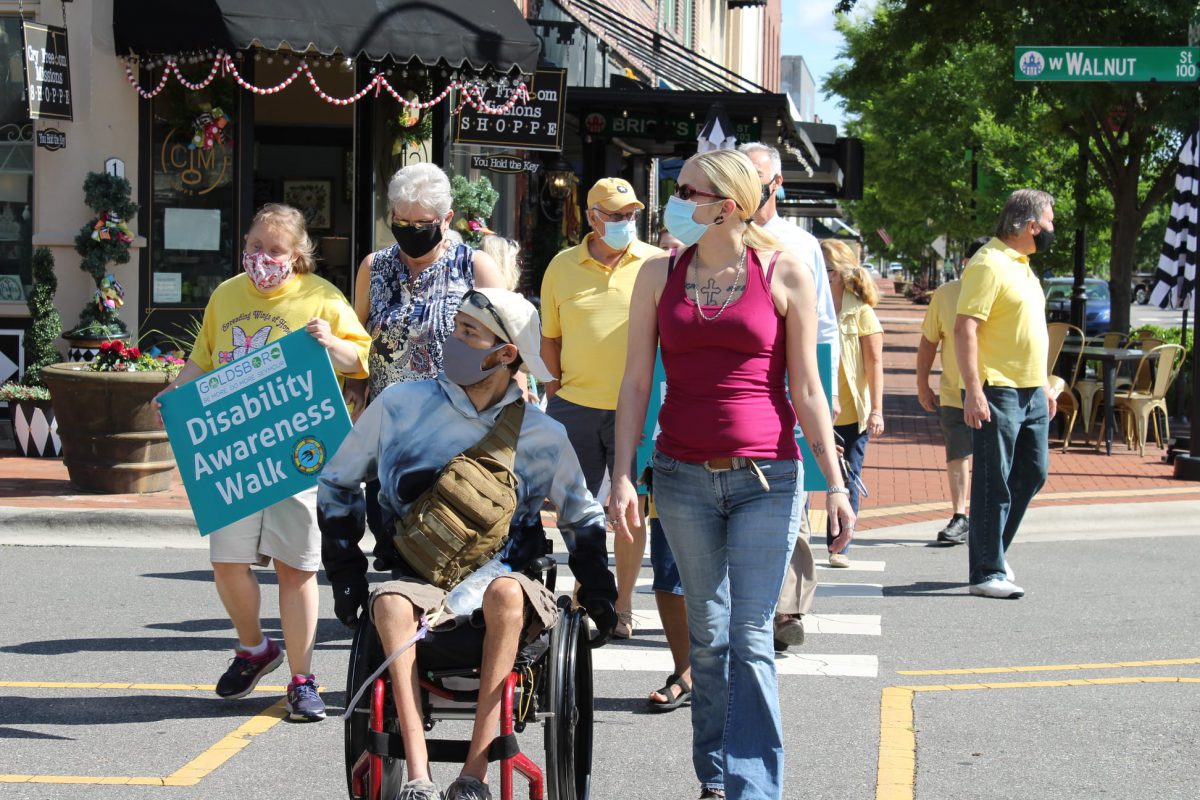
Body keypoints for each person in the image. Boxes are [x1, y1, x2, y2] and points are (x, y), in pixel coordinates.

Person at [608, 149, 854, 800]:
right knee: (709, 639)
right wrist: (623, 476)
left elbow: (808, 389)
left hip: (766, 477)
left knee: (748, 636)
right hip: (681, 475)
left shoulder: (786, 271)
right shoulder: (658, 274)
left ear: (725, 204)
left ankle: (753, 787)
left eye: (685, 190)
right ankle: (716, 777)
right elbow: (635, 383)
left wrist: (835, 484)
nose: (673, 201)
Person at [318, 289, 617, 800]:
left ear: (505, 353)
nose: (451, 339)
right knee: (389, 601)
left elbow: (582, 514)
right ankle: (418, 777)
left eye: (468, 332)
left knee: (505, 592)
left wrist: (601, 593)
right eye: (454, 326)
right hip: (420, 578)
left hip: (508, 584)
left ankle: (474, 775)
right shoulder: (399, 406)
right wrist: (346, 576)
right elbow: (337, 482)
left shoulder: (542, 434)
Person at [156, 203, 372, 722]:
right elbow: (204, 358)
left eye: (275, 249)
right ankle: (254, 648)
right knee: (227, 563)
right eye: (256, 246)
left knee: (295, 568)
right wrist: (174, 394)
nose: (263, 257)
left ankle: (302, 680)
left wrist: (331, 342)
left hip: (299, 452)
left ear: (297, 254)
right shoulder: (228, 294)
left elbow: (361, 360)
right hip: (234, 451)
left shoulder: (322, 297)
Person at [540, 177, 662, 639]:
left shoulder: (656, 262)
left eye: (630, 215)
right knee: (575, 508)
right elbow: (549, 338)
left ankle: (622, 604)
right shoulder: (562, 265)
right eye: (614, 215)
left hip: (639, 407)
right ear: (591, 216)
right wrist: (555, 392)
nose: (625, 222)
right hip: (575, 405)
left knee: (632, 510)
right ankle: (590, 589)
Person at [739, 141, 840, 650]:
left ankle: (788, 609)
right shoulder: (718, 240)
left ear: (776, 184)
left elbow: (824, 326)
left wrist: (828, 391)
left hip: (793, 388)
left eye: (755, 179)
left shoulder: (801, 246)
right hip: (741, 392)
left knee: (793, 496)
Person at [955, 189, 1057, 599]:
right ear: (1031, 226)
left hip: (1031, 390)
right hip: (997, 388)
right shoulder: (989, 263)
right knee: (992, 480)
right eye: (1049, 222)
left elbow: (1026, 332)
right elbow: (966, 328)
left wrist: (1044, 382)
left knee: (1033, 472)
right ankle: (986, 571)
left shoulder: (1023, 266)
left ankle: (993, 552)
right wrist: (973, 390)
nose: (1051, 229)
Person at [343, 163, 504, 418]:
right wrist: (354, 384)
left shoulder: (474, 267)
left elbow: (504, 341)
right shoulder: (374, 267)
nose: (411, 231)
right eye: (402, 221)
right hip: (386, 417)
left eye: (421, 223)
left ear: (446, 219)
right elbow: (356, 337)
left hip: (454, 418)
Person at [916, 236, 989, 545]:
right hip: (953, 390)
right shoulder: (946, 294)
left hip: (996, 389)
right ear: (965, 263)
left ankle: (988, 517)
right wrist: (922, 383)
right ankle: (960, 515)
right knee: (958, 453)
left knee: (992, 457)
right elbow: (929, 341)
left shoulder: (1003, 291)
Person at [823, 239, 884, 569]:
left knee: (847, 478)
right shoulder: (810, 305)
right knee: (803, 478)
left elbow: (874, 363)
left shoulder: (861, 312)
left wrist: (877, 410)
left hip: (850, 414)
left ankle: (839, 546)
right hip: (813, 410)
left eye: (824, 268)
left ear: (838, 273)